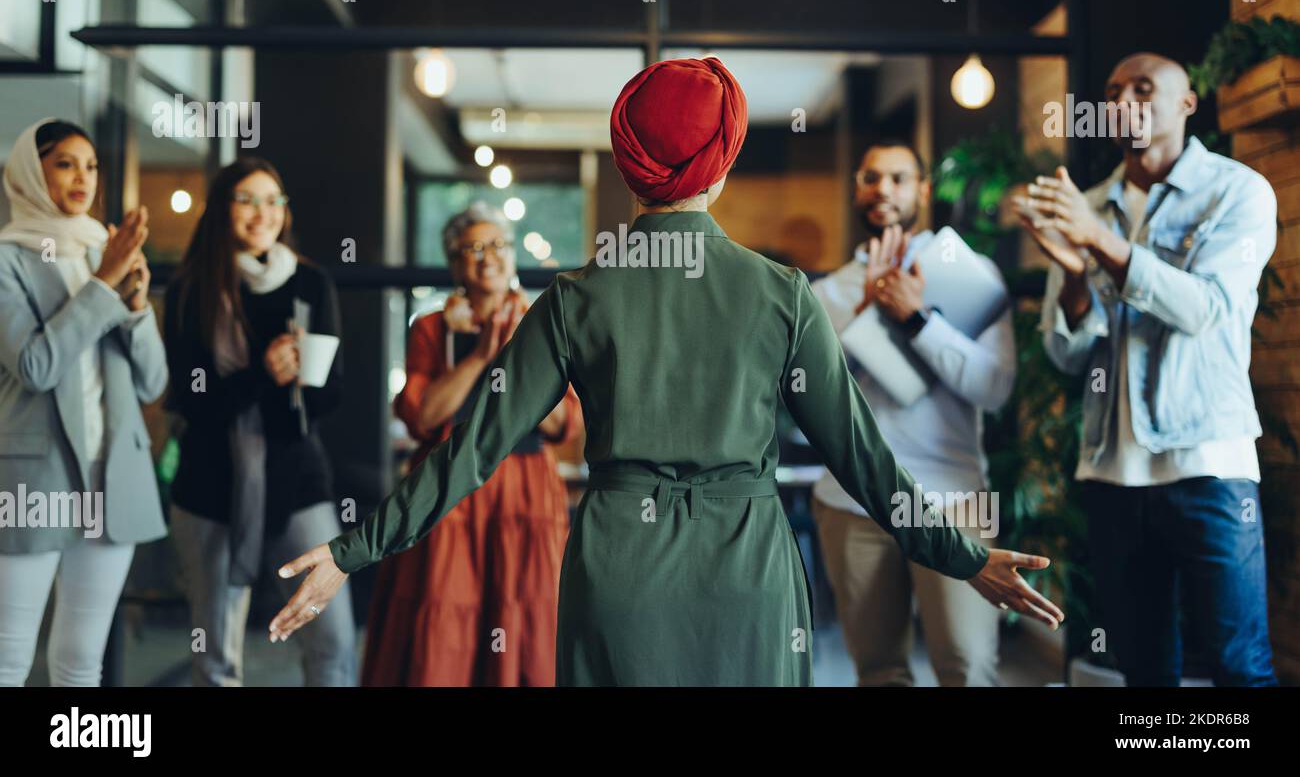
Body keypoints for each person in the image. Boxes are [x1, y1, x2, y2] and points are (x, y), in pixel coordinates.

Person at [271, 57, 1062, 686]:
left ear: (629, 165)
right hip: (746, 575)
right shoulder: (782, 294)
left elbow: (469, 449)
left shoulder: (576, 295)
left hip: (619, 573)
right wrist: (965, 555)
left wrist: (348, 553)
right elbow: (864, 460)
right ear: (718, 168)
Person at [1015, 51, 1278, 686]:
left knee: (1240, 667)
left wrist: (1099, 245)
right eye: (1112, 90)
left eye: (1143, 87)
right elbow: (1067, 355)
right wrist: (1076, 277)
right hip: (1111, 476)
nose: (1124, 100)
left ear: (1188, 103)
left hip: (1209, 468)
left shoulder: (1237, 191)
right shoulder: (1091, 203)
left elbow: (1207, 309)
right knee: (1144, 674)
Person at [810, 141, 1015, 686]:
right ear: (858, 189)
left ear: (923, 190)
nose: (884, 190)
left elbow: (995, 389)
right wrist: (863, 318)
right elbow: (810, 396)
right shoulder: (827, 294)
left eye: (899, 178)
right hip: (852, 503)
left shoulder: (973, 272)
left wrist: (917, 320)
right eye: (871, 177)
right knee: (879, 672)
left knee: (968, 667)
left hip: (955, 498)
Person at [363, 203, 581, 686]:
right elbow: (423, 415)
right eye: (474, 248)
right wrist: (481, 355)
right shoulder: (431, 329)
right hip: (449, 491)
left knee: (525, 608)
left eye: (498, 245)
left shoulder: (542, 322)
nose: (489, 258)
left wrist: (520, 351)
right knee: (445, 608)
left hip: (525, 491)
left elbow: (563, 423)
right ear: (456, 264)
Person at [164, 158, 356, 686]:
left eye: (273, 200)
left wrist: (302, 380)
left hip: (298, 479)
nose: (262, 212)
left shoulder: (311, 283)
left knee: (333, 639)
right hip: (210, 487)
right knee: (216, 653)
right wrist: (262, 375)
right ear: (222, 209)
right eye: (246, 199)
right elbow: (192, 402)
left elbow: (330, 396)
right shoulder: (192, 289)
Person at [0, 119, 166, 686]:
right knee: (8, 660)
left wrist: (138, 306)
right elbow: (35, 366)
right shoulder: (9, 259)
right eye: (66, 163)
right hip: (35, 481)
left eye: (91, 165)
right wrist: (103, 284)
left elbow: (153, 382)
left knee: (80, 664)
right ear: (29, 171)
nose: (83, 177)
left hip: (113, 479)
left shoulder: (106, 248)